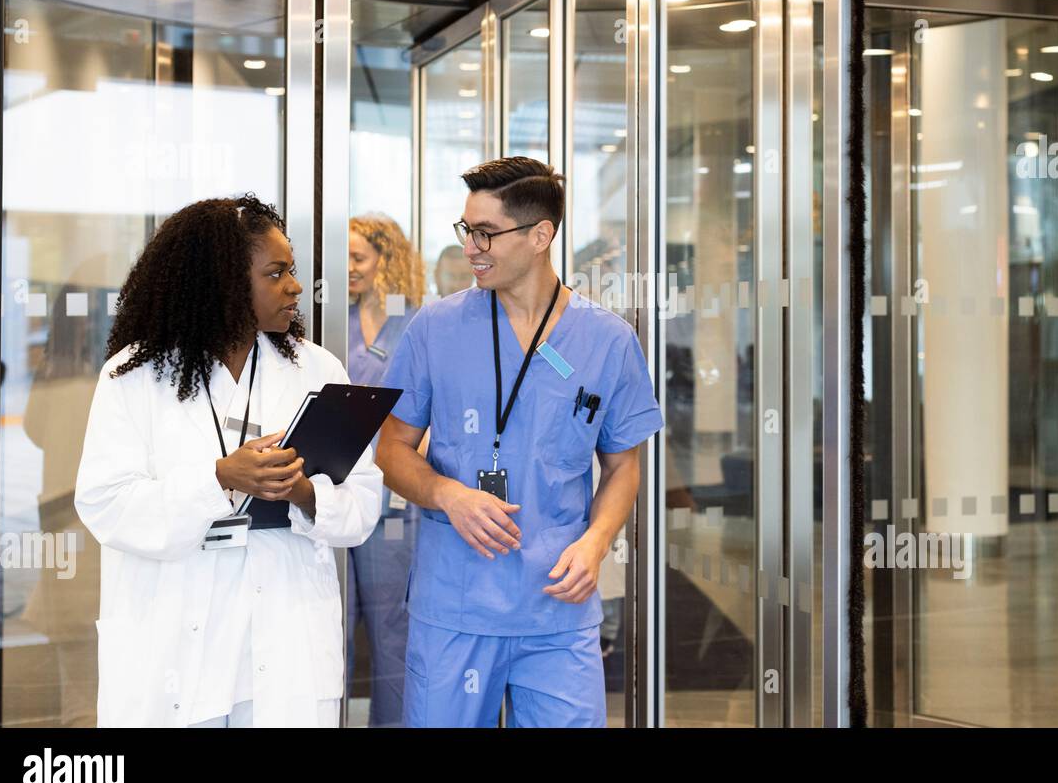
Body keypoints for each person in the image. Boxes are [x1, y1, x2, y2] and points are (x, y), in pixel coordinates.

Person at [73, 195, 382, 727]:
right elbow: (104, 503)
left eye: (292, 270)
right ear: (222, 282)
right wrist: (220, 478)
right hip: (175, 649)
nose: (294, 286)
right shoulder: (136, 374)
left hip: (286, 650)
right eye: (275, 272)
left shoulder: (317, 369)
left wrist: (304, 493)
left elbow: (363, 505)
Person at [377, 156, 662, 727]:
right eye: (466, 230)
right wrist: (448, 495)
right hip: (456, 604)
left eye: (485, 233)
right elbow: (390, 449)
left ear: (540, 236)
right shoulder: (434, 330)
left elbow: (623, 464)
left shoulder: (608, 340)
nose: (470, 248)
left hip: (557, 609)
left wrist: (596, 542)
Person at [346, 213, 425, 726]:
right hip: (329, 492)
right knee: (331, 625)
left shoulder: (418, 322)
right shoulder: (331, 320)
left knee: (393, 629)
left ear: (386, 260)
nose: (349, 269)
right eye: (343, 259)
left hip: (393, 499)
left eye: (358, 258)